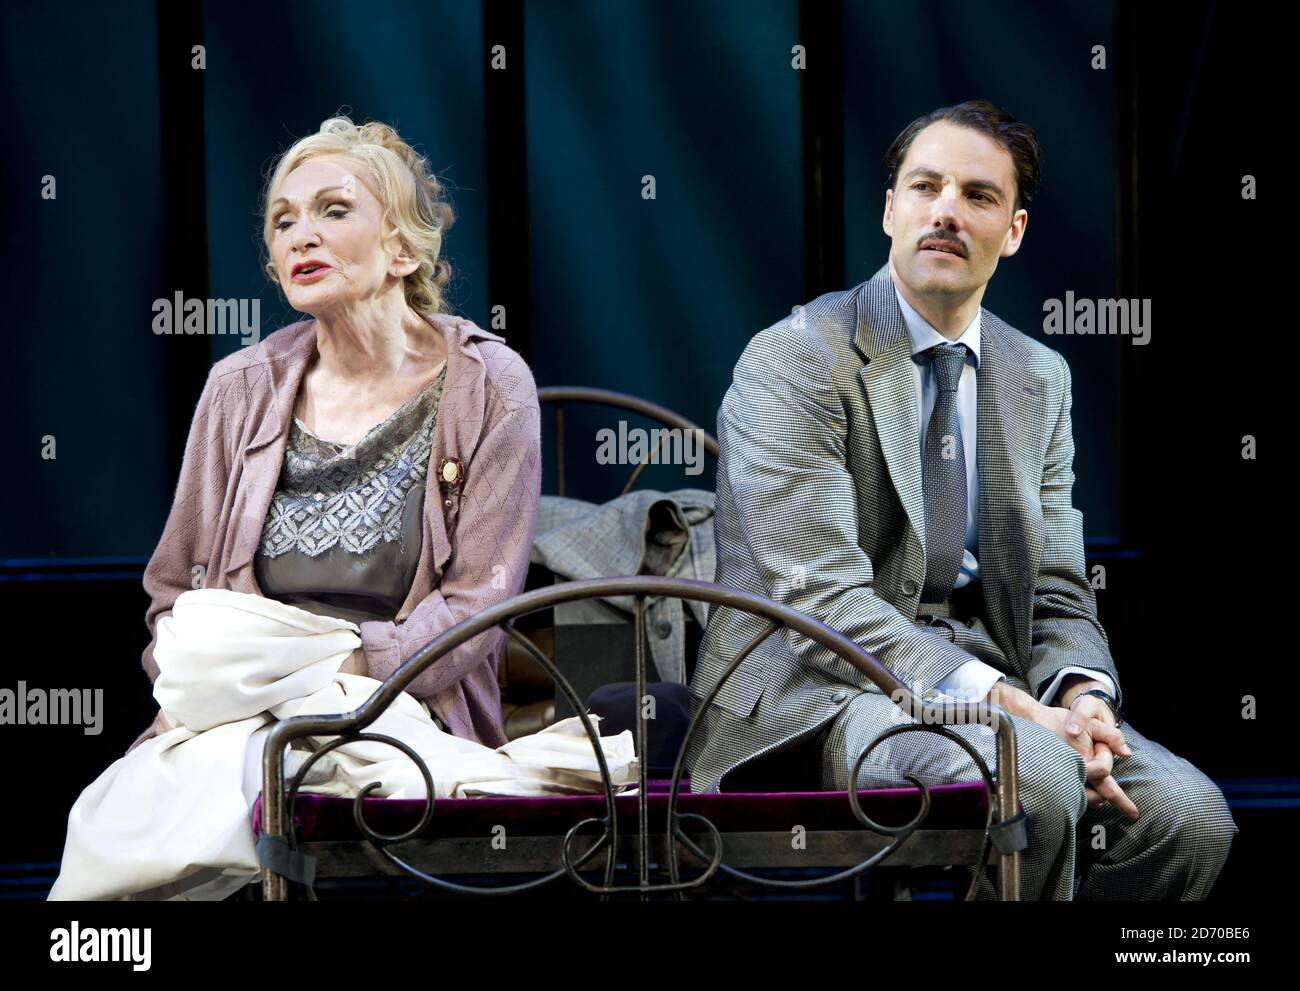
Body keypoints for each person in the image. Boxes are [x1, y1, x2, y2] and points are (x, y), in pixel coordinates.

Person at [686, 100, 1236, 900]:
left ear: (1012, 230)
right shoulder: (797, 358)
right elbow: (824, 604)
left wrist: (1082, 701)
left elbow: (1055, 590)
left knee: (1191, 817)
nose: (947, 210)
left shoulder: (1038, 377)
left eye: (978, 196)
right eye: (925, 187)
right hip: (821, 692)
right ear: (889, 211)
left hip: (1000, 691)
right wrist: (1009, 706)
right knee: (1036, 775)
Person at [129, 116, 540, 753]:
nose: (301, 235)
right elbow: (175, 591)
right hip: (237, 715)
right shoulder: (238, 387)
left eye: (334, 210)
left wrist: (325, 680)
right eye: (283, 221)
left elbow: (473, 609)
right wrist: (211, 684)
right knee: (118, 826)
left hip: (404, 716)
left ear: (403, 250)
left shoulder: (489, 385)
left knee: (301, 791)